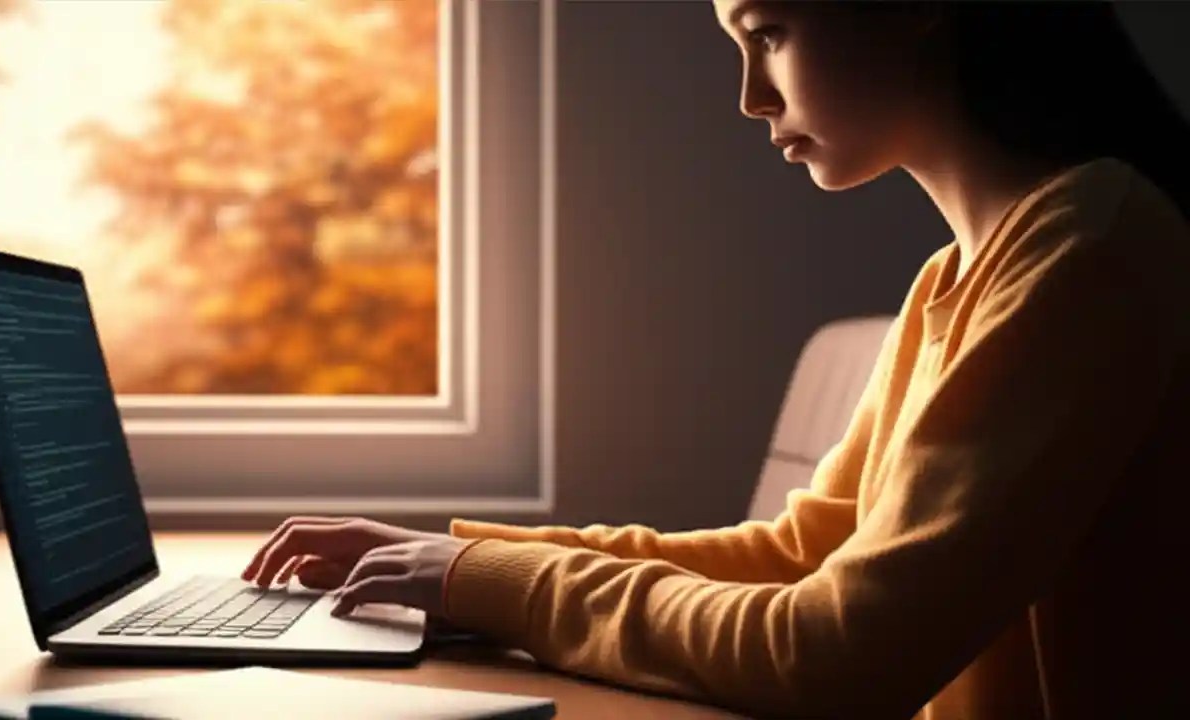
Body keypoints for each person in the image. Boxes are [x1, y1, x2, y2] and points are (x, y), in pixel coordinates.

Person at [240, 2, 1190, 717]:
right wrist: (462, 564)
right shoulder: (961, 272)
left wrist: (490, 583)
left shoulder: (1092, 244)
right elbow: (801, 555)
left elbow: (838, 653)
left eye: (768, 31)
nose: (749, 96)